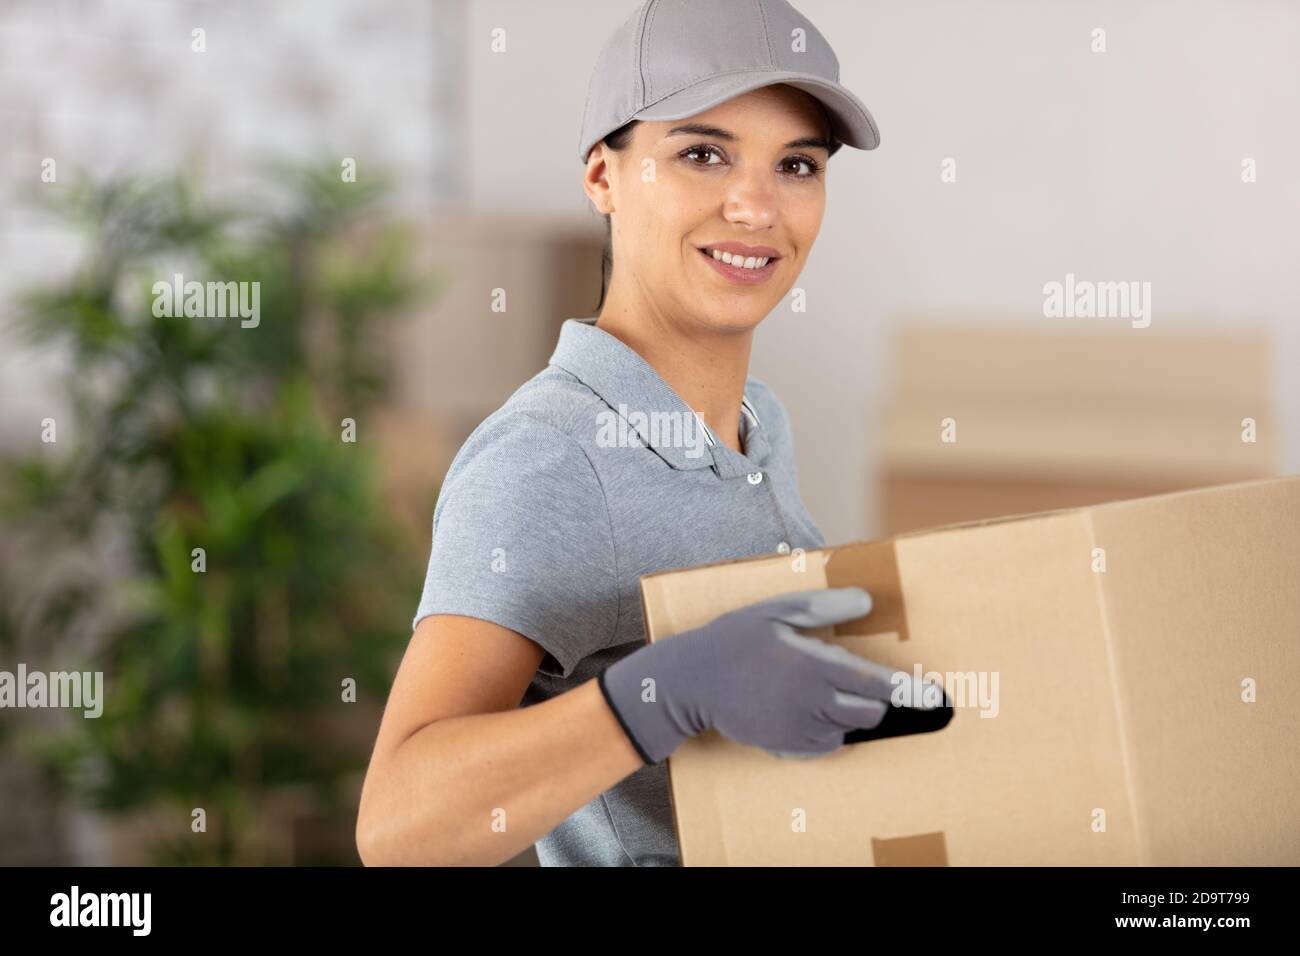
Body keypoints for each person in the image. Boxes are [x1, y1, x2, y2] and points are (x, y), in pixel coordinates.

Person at [357, 0, 902, 867]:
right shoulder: (550, 456)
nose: (758, 207)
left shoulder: (761, 429)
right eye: (701, 153)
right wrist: (664, 693)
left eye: (797, 164)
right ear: (602, 178)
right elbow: (398, 828)